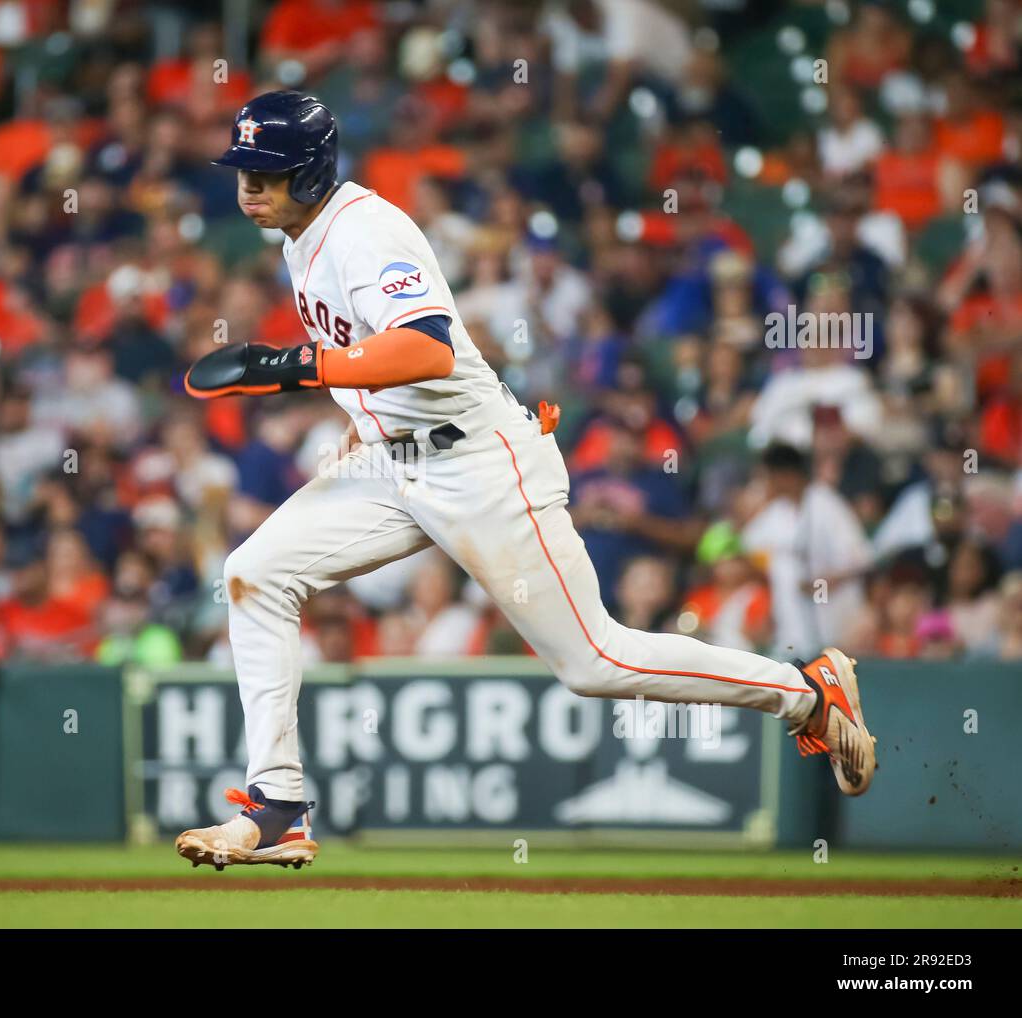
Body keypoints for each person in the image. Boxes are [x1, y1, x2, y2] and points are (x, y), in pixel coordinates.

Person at [173, 92, 878, 871]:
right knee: (253, 574)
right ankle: (276, 808)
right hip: (397, 461)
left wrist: (298, 368)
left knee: (594, 663)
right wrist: (360, 413)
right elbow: (380, 358)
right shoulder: (300, 238)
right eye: (243, 169)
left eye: (265, 172)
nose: (248, 187)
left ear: (310, 172)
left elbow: (428, 348)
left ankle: (806, 691)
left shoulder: (364, 230)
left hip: (479, 463)